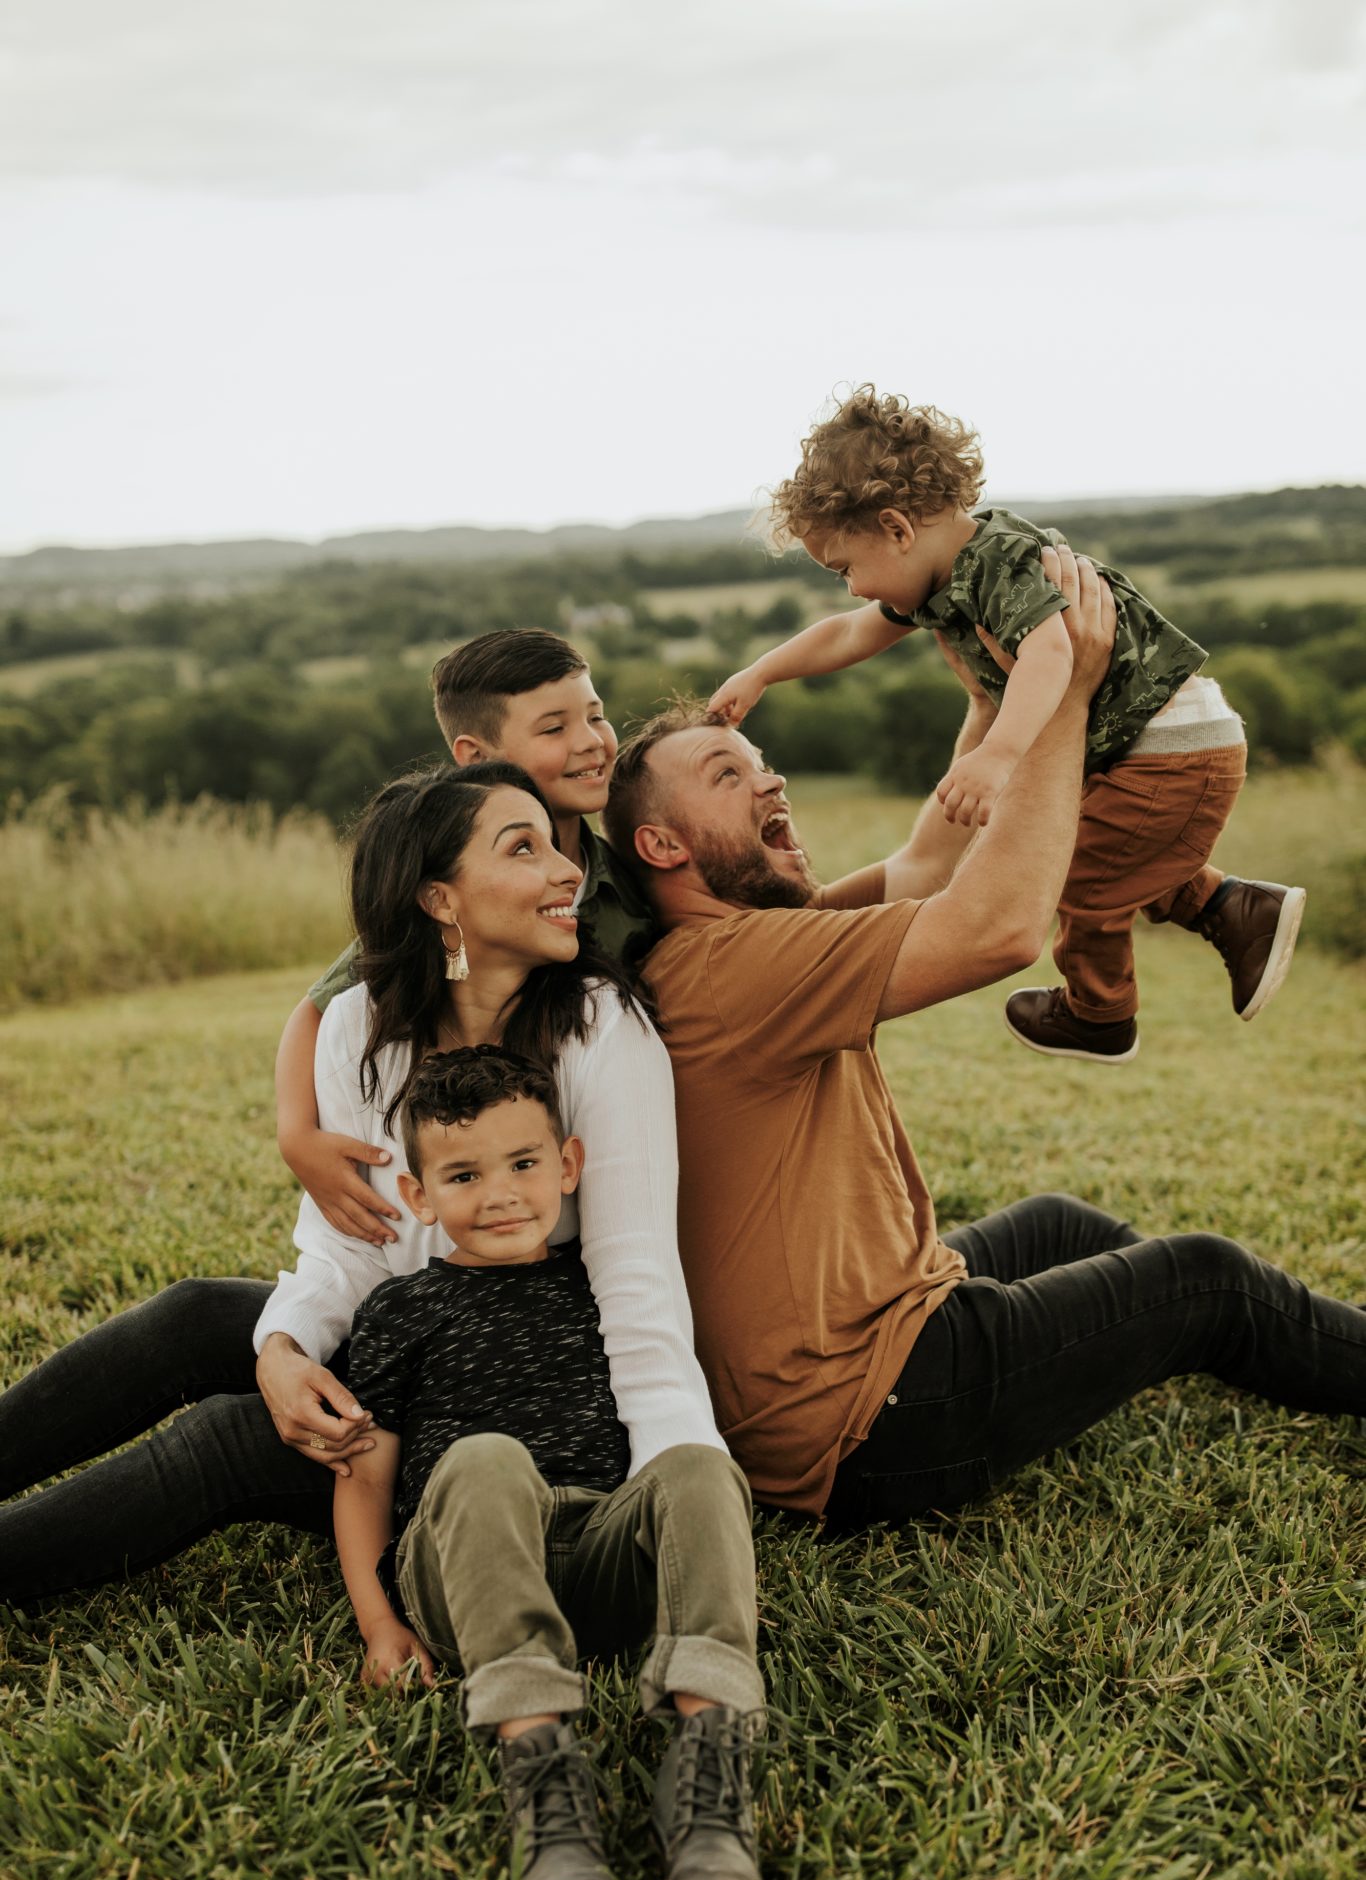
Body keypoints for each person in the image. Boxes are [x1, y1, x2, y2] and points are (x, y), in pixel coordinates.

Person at [602, 546, 1366, 1529]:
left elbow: (925, 864)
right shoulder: (734, 968)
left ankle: (1214, 1344)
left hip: (837, 1379)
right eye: (726, 773)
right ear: (662, 846)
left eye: (760, 761)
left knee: (1061, 1224)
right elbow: (998, 927)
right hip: (871, 1421)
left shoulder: (728, 947)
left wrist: (993, 696)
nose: (771, 778)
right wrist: (1066, 704)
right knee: (1203, 1276)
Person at [0, 761, 725, 1606]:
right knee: (197, 1316)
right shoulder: (360, 1024)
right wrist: (283, 1350)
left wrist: (672, 1478)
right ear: (439, 900)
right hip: (424, 1335)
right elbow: (354, 1243)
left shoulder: (600, 1024)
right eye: (523, 848)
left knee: (230, 1439)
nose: (569, 869)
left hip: (535, 1390)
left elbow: (636, 1277)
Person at [708, 386, 1304, 1064]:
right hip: (1150, 746)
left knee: (1075, 877)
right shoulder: (942, 579)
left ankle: (1099, 1014)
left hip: (1166, 746)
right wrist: (762, 672)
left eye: (847, 568)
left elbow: (1055, 654)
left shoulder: (997, 562)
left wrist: (998, 756)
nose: (852, 589)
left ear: (898, 529)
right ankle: (1234, 909)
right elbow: (848, 635)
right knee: (1115, 856)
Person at [333, 1044, 766, 1880]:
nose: (501, 1194)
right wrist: (380, 1623)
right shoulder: (402, 1312)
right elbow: (366, 1475)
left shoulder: (603, 1288)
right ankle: (544, 1779)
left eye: (525, 1164)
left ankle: (710, 1777)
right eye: (463, 1174)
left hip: (603, 1556)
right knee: (485, 1458)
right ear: (420, 1197)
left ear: (568, 1165)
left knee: (696, 1463)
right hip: (470, 1568)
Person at [277, 627, 652, 1248]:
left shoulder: (630, 886)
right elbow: (324, 1009)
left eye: (596, 715)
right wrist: (297, 1135)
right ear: (476, 759)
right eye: (554, 728)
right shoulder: (451, 895)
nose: (591, 742)